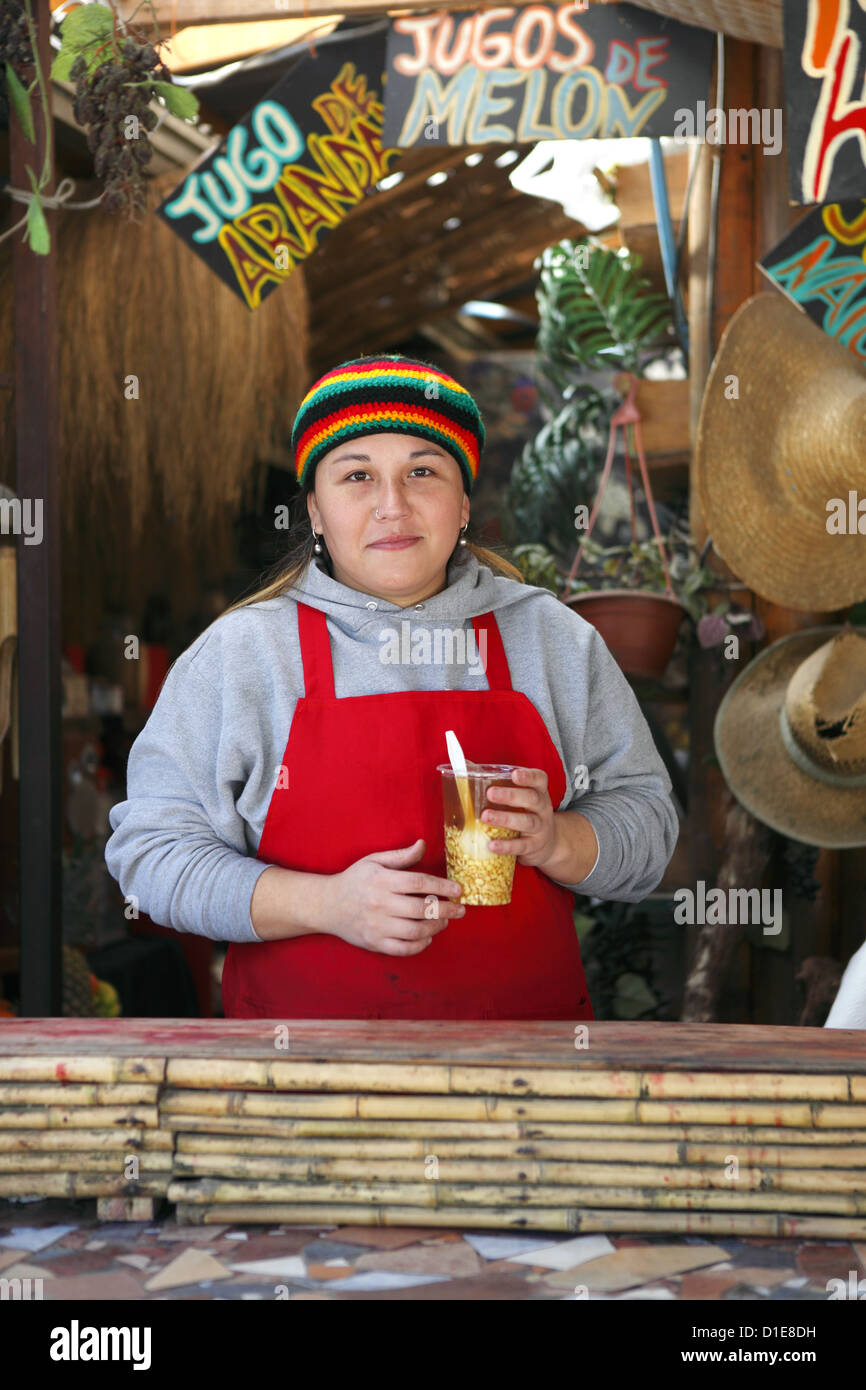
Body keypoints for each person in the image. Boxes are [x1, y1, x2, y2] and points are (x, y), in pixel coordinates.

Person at [105, 354, 678, 1020]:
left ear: (462, 503)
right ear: (315, 512)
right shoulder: (245, 655)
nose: (393, 505)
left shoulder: (550, 639)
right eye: (357, 475)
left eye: (422, 471)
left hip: (525, 1077)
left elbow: (649, 824)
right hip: (298, 1090)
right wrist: (324, 904)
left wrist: (560, 842)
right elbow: (150, 856)